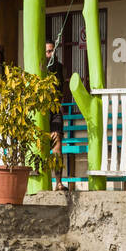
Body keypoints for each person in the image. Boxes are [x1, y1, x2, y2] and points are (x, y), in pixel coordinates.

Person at [44, 40, 70, 192]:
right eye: (48, 51)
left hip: (54, 109)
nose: (51, 54)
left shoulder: (60, 68)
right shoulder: (39, 67)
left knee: (57, 143)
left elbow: (62, 88)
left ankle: (58, 182)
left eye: (52, 51)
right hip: (40, 110)